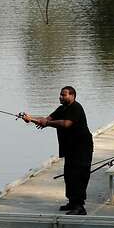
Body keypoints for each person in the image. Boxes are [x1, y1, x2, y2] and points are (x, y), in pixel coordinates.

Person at [22, 86, 93, 215]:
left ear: (72, 96)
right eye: (60, 94)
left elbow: (66, 124)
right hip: (70, 148)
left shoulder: (76, 108)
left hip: (82, 147)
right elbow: (47, 119)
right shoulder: (62, 109)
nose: (60, 97)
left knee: (79, 175)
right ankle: (72, 202)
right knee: (69, 175)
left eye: (64, 95)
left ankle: (79, 207)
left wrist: (46, 123)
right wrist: (30, 119)